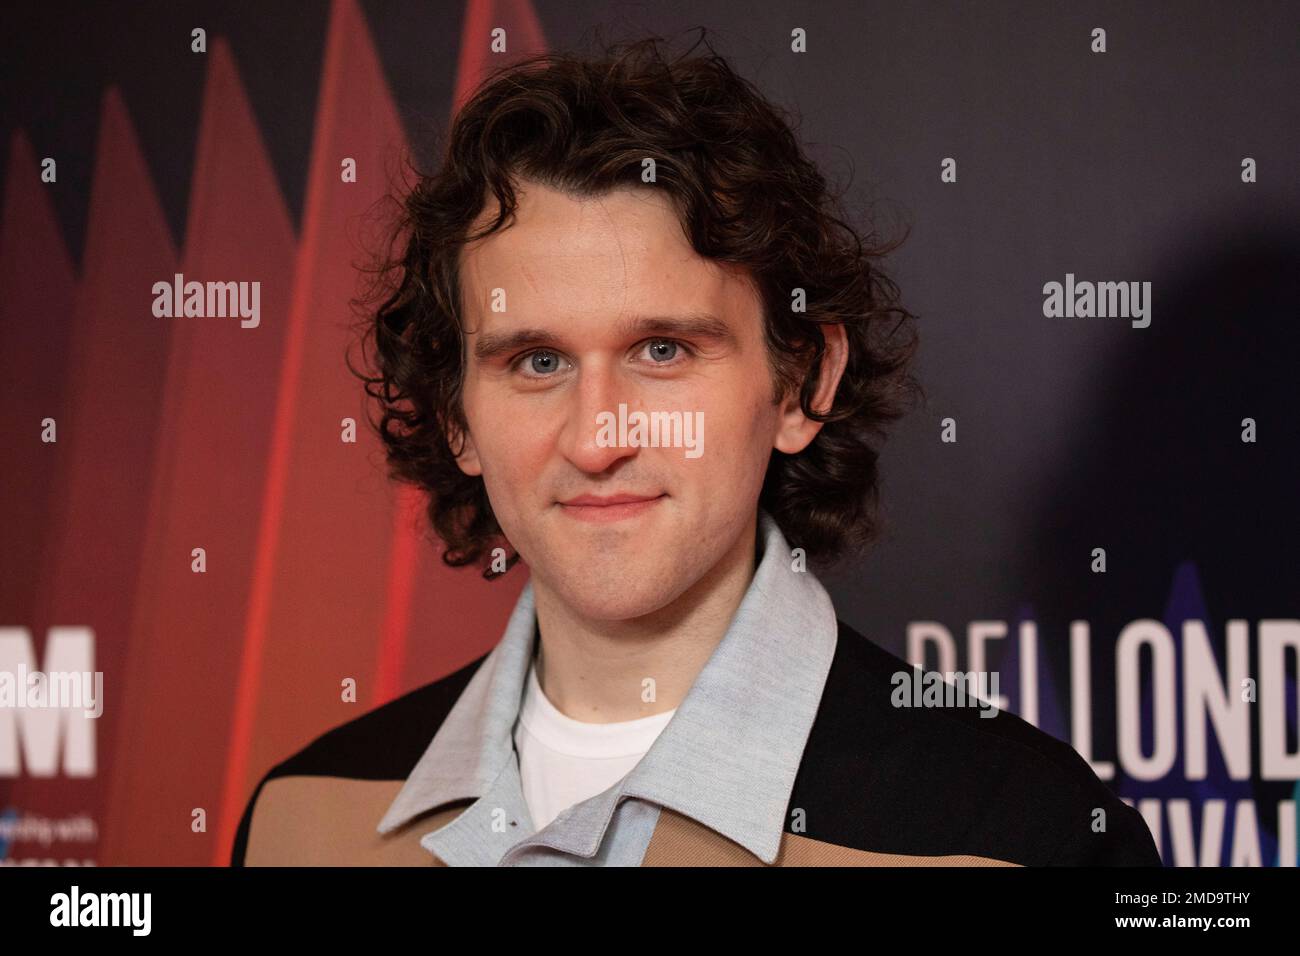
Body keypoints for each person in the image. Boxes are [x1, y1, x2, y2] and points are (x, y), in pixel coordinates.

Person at [231, 32, 1161, 867]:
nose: (599, 437)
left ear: (801, 384)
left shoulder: (1017, 834)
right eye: (537, 359)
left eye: (663, 351)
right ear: (455, 417)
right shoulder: (303, 821)